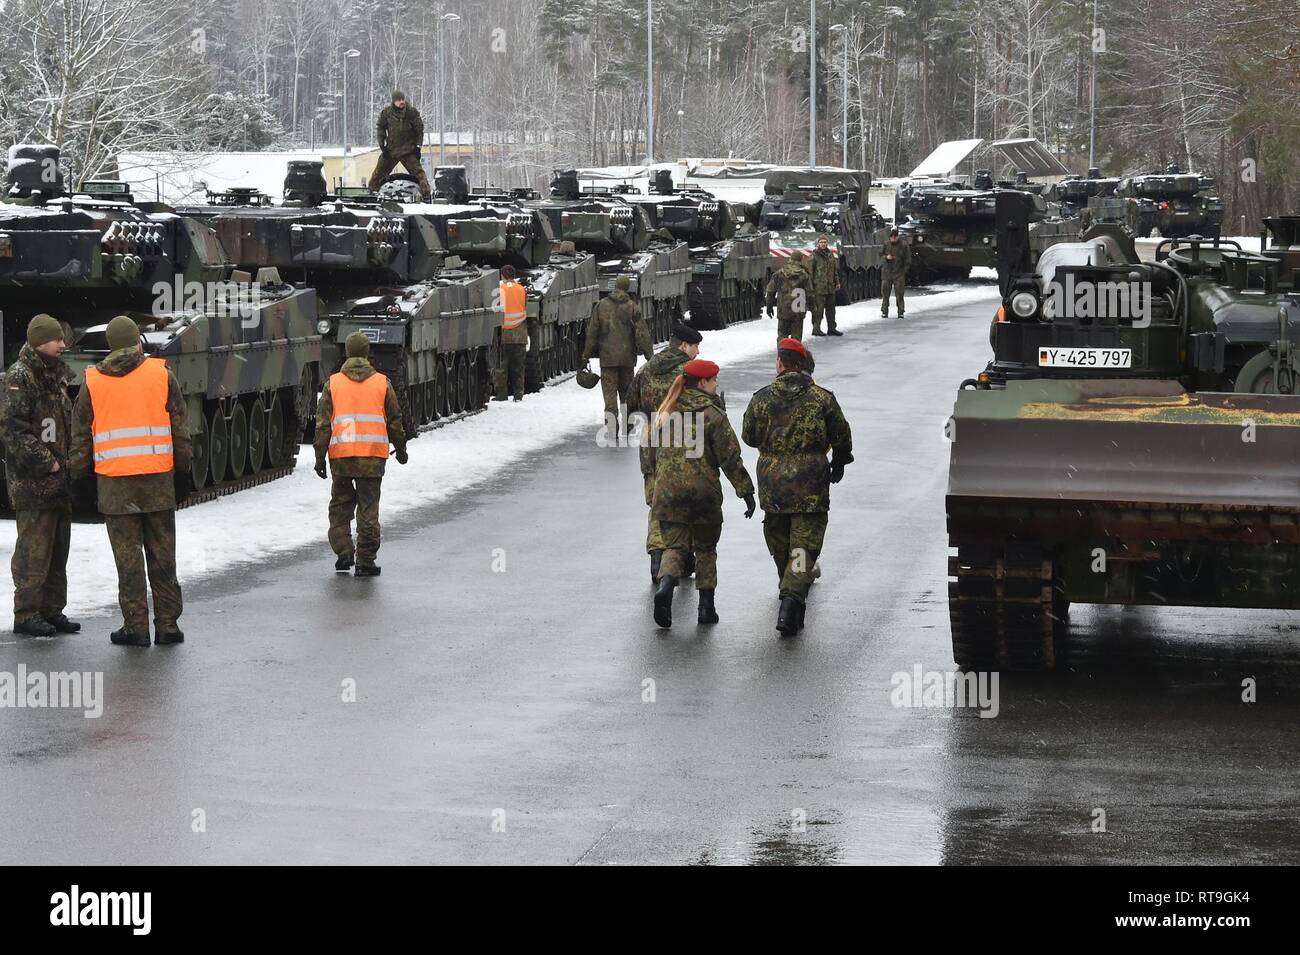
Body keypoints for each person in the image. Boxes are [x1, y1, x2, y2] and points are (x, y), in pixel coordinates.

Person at [70, 315, 191, 646]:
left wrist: (79, 479)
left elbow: (81, 435)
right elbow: (180, 428)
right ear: (138, 341)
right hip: (157, 480)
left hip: (115, 485)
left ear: (109, 345)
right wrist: (184, 471)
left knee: (128, 559)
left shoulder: (93, 381)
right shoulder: (161, 375)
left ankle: (135, 627)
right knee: (163, 555)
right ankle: (167, 625)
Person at [742, 338, 853, 636]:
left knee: (779, 541)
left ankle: (789, 588)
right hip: (810, 486)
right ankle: (791, 598)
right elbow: (842, 435)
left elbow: (749, 436)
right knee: (803, 547)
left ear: (780, 363)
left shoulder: (761, 398)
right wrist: (840, 462)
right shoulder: (822, 399)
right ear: (803, 365)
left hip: (772, 485)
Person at [648, 358, 755, 628]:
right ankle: (706, 608)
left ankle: (666, 587)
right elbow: (730, 458)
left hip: (668, 493)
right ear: (703, 382)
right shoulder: (713, 415)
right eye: (714, 379)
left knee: (674, 546)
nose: (717, 383)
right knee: (706, 549)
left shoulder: (663, 412)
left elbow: (648, 455)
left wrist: (654, 485)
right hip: (702, 494)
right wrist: (746, 492)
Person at [3, 314, 78, 636]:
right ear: (39, 342)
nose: (63, 344)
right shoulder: (20, 377)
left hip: (59, 482)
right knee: (34, 551)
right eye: (56, 339)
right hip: (35, 482)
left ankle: (51, 609)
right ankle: (27, 613)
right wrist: (48, 463)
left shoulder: (54, 375)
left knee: (58, 551)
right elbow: (13, 430)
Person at [314, 332, 408, 577]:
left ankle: (344, 551)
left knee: (340, 507)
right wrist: (401, 448)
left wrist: (319, 457)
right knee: (368, 509)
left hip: (342, 456)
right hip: (372, 458)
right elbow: (395, 420)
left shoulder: (333, 383)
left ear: (346, 351)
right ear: (367, 353)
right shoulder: (382, 382)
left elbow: (323, 425)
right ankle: (365, 560)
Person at [627, 322, 703, 582]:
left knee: (657, 503)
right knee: (685, 500)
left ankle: (657, 561)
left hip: (651, 440)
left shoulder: (646, 369)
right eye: (695, 347)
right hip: (683, 441)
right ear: (684, 346)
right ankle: (684, 557)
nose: (698, 352)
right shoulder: (690, 372)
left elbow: (632, 404)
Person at [581, 274, 651, 443]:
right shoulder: (632, 307)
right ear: (627, 287)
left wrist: (586, 355)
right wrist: (650, 356)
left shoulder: (601, 306)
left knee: (610, 394)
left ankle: (612, 427)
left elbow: (592, 333)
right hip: (627, 358)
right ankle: (628, 424)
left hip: (607, 359)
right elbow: (642, 333)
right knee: (626, 392)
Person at [368, 90, 431, 201]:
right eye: (398, 100)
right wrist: (382, 146)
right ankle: (371, 196)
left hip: (408, 151)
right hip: (391, 151)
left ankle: (427, 197)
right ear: (393, 101)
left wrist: (418, 147)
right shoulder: (386, 113)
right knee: (377, 175)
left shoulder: (411, 113)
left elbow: (419, 131)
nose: (401, 102)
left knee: (420, 175)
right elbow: (380, 128)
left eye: (402, 99)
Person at [496, 265, 528, 401]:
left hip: (503, 334)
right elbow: (524, 306)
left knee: (501, 367)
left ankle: (501, 395)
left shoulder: (499, 289)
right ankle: (518, 394)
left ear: (502, 275)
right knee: (519, 367)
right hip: (519, 333)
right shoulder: (521, 289)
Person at [766, 249, 811, 341]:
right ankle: (794, 354)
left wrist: (769, 307)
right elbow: (810, 293)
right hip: (798, 309)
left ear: (790, 258)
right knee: (796, 337)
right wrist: (812, 308)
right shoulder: (804, 274)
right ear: (801, 259)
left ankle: (782, 354)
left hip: (783, 309)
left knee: (782, 335)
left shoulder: (779, 273)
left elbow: (770, 291)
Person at [809, 236, 843, 336]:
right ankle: (816, 329)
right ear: (818, 244)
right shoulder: (814, 256)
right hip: (819, 288)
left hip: (830, 287)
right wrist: (810, 287)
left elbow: (834, 270)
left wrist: (837, 282)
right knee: (818, 310)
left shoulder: (830, 254)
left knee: (831, 310)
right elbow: (810, 273)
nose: (823, 244)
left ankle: (832, 328)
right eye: (821, 242)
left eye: (825, 242)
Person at [881, 228, 910, 319]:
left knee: (899, 294)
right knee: (885, 294)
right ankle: (884, 311)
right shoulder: (886, 244)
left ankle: (900, 311)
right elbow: (880, 255)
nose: (893, 238)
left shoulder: (903, 245)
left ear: (898, 237)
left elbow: (908, 259)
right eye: (892, 237)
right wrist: (886, 257)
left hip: (899, 273)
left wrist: (904, 270)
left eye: (895, 237)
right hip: (887, 273)